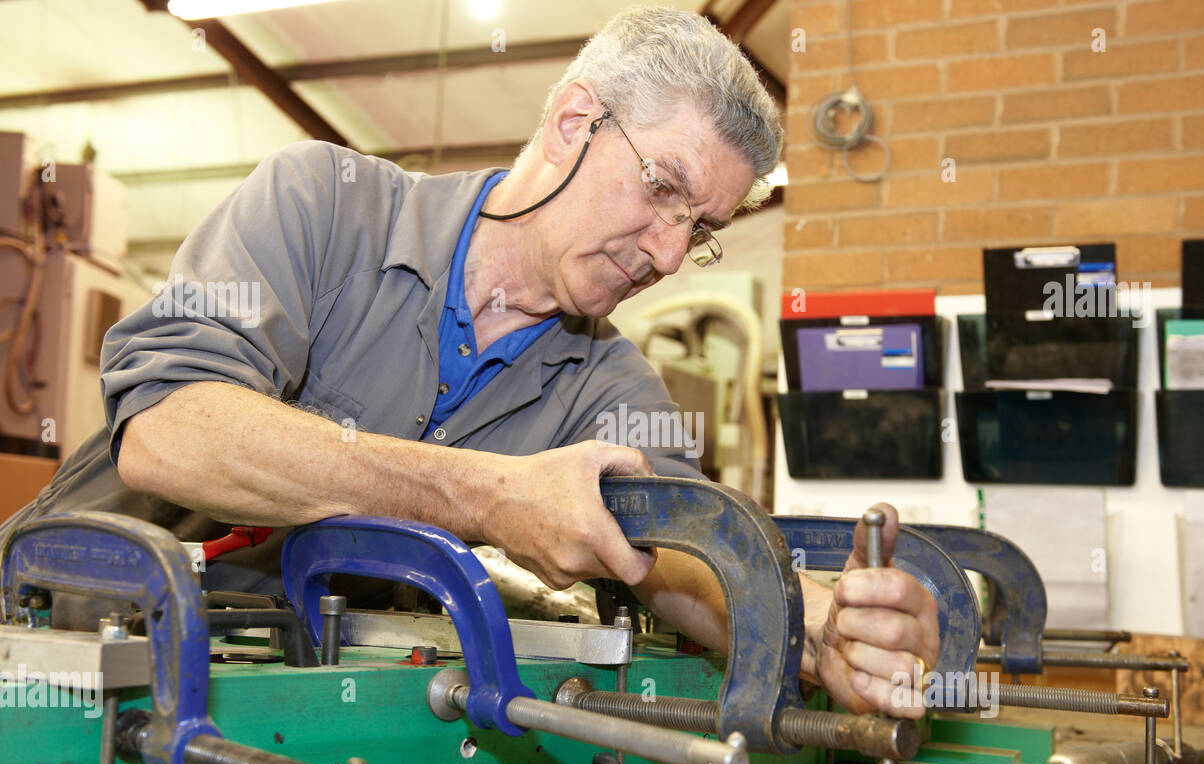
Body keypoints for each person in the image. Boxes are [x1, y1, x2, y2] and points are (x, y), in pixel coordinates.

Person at [0, 7, 936, 718]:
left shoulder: (608, 389)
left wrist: (820, 625)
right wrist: (488, 494)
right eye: (663, 191)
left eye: (701, 231)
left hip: (286, 708)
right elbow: (169, 435)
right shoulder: (324, 206)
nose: (663, 252)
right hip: (55, 657)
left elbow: (679, 555)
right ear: (574, 122)